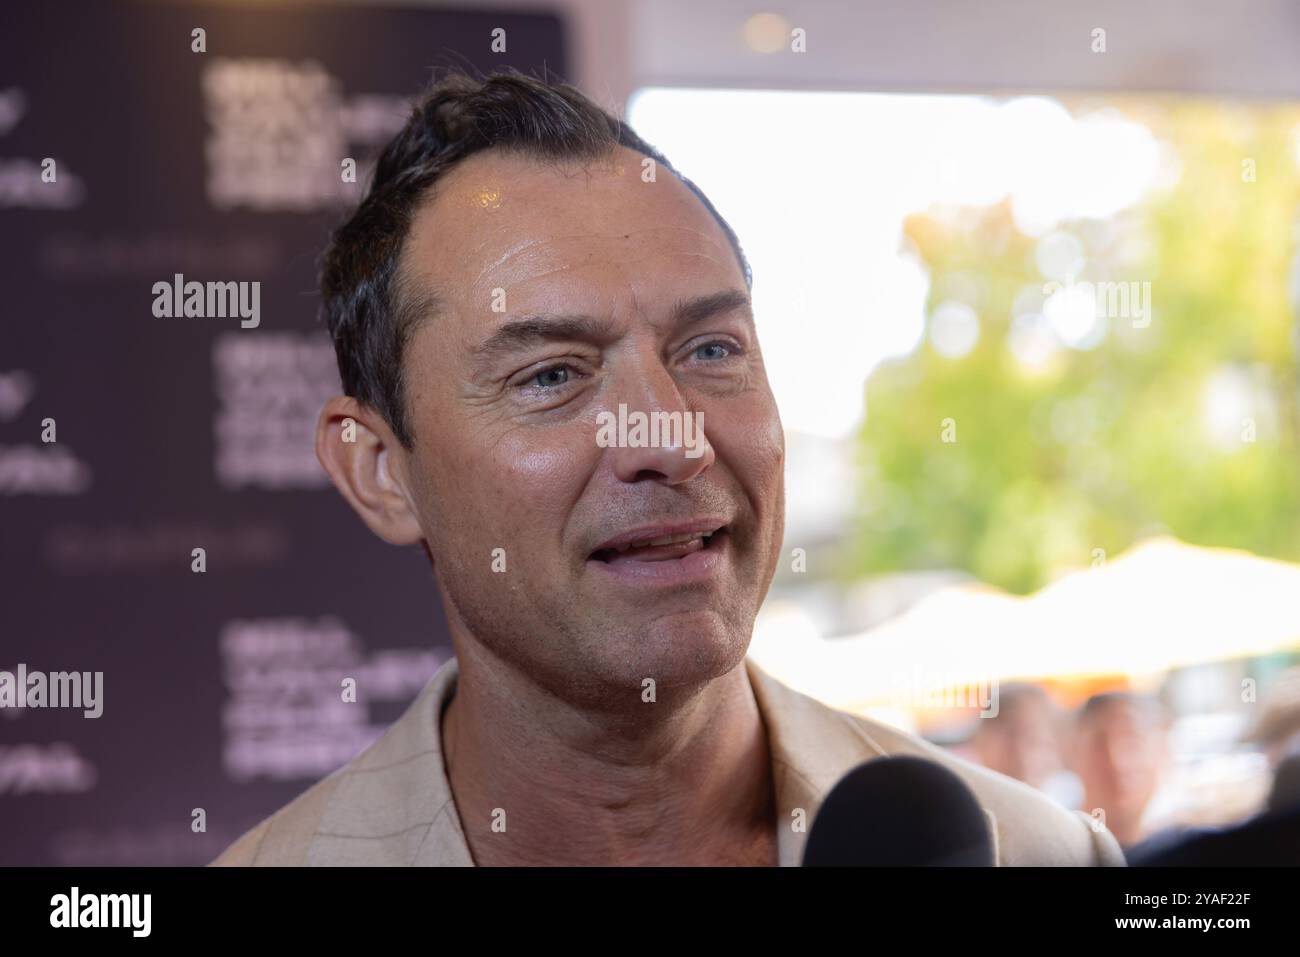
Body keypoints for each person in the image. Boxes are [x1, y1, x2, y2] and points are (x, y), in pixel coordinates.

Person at [210, 68, 1123, 867]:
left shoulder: (1042, 855)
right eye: (553, 374)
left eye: (711, 350)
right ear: (378, 469)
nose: (672, 438)